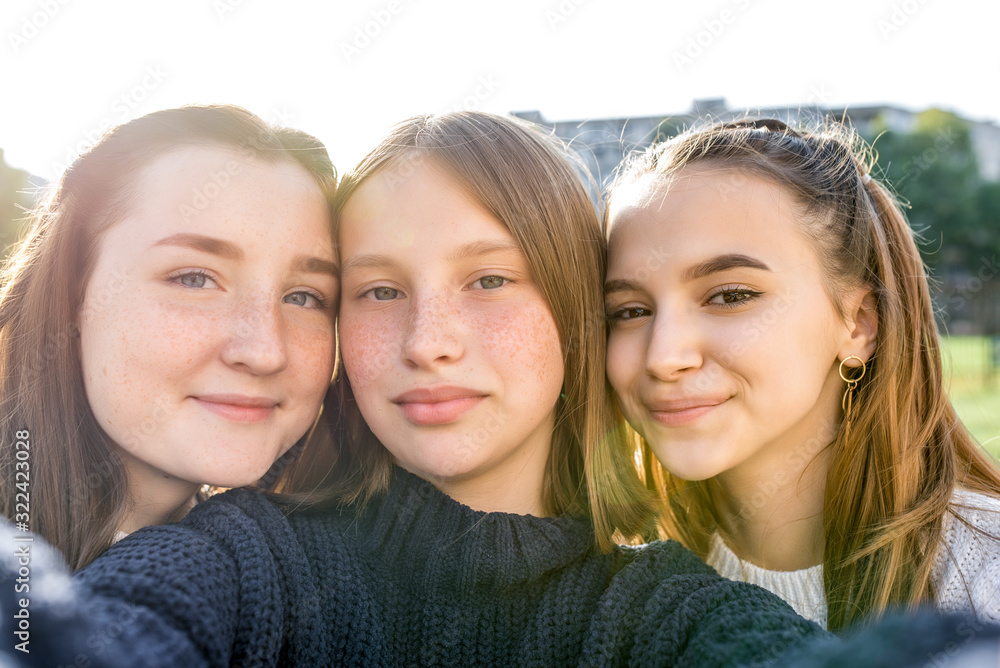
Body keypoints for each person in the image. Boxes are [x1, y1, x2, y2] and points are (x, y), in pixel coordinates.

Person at [2, 111, 832, 667]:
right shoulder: (251, 555)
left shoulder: (661, 614)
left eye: (490, 279)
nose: (428, 342)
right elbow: (125, 627)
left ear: (576, 310)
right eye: (378, 290)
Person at [603, 118, 1000, 631]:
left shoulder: (983, 581)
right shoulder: (613, 588)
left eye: (731, 296)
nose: (662, 356)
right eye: (630, 311)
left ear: (858, 324)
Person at [0, 105, 339, 570]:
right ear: (75, 292)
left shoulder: (298, 585)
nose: (264, 350)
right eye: (194, 279)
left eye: (304, 297)